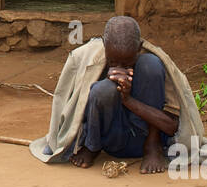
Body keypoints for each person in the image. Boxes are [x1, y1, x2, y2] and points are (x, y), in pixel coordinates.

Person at [69, 15, 178, 174]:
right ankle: (92, 146)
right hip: (112, 141)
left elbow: (171, 126)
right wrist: (109, 86)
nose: (119, 70)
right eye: (113, 62)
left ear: (139, 47)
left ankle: (153, 147)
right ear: (104, 44)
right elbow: (73, 113)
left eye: (127, 64)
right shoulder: (88, 58)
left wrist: (127, 100)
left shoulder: (153, 62)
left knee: (151, 65)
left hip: (145, 138)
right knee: (103, 89)